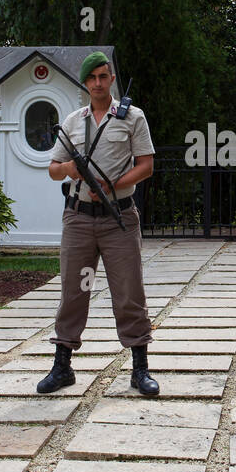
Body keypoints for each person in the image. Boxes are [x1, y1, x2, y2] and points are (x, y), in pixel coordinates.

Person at [39, 52, 159, 396]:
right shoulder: (73, 121)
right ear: (84, 82)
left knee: (128, 293)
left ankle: (140, 369)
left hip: (118, 217)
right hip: (78, 219)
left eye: (103, 76)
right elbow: (53, 169)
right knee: (73, 292)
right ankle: (62, 366)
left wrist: (115, 183)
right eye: (92, 77)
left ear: (111, 79)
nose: (98, 83)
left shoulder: (132, 117)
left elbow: (146, 165)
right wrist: (69, 170)